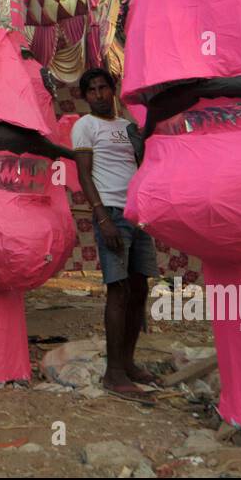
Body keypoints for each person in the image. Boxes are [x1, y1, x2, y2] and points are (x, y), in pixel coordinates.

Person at [71, 67, 158, 402]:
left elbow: (141, 164)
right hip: (111, 212)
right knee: (118, 290)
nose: (98, 94)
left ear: (113, 89)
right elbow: (84, 175)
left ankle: (129, 363)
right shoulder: (85, 127)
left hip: (137, 214)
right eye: (91, 90)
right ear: (85, 96)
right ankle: (114, 373)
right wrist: (101, 217)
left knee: (139, 289)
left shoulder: (127, 128)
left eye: (103, 88)